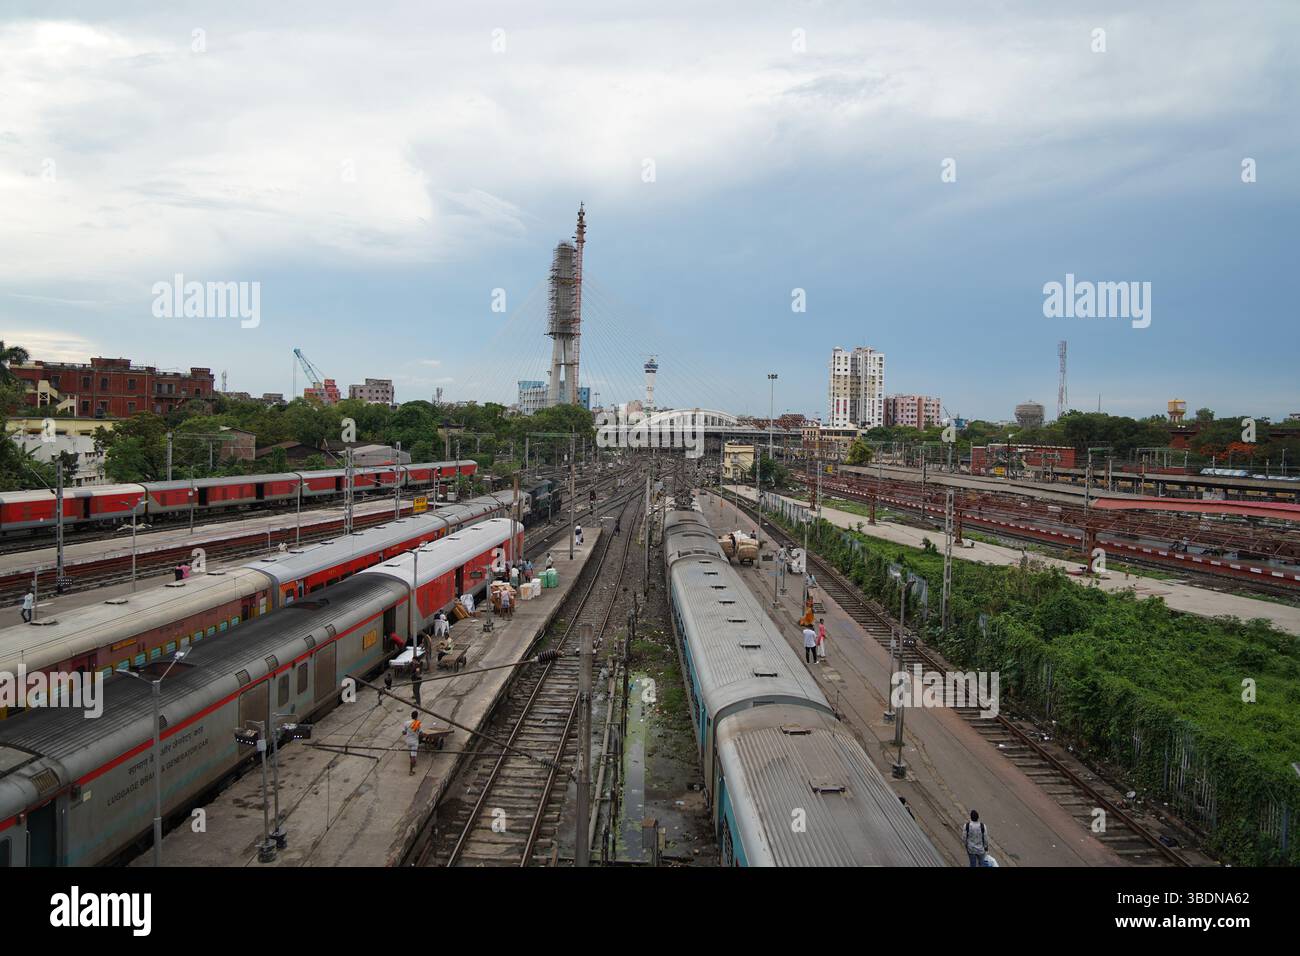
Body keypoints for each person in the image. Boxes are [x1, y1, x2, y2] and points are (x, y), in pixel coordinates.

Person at [403, 710, 422, 775]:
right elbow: (420, 733)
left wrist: (406, 731)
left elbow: (404, 733)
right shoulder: (418, 723)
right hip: (414, 742)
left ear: (411, 716)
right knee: (413, 756)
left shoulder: (406, 723)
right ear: (416, 716)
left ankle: (413, 762)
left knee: (411, 753)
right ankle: (411, 771)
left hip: (408, 741)